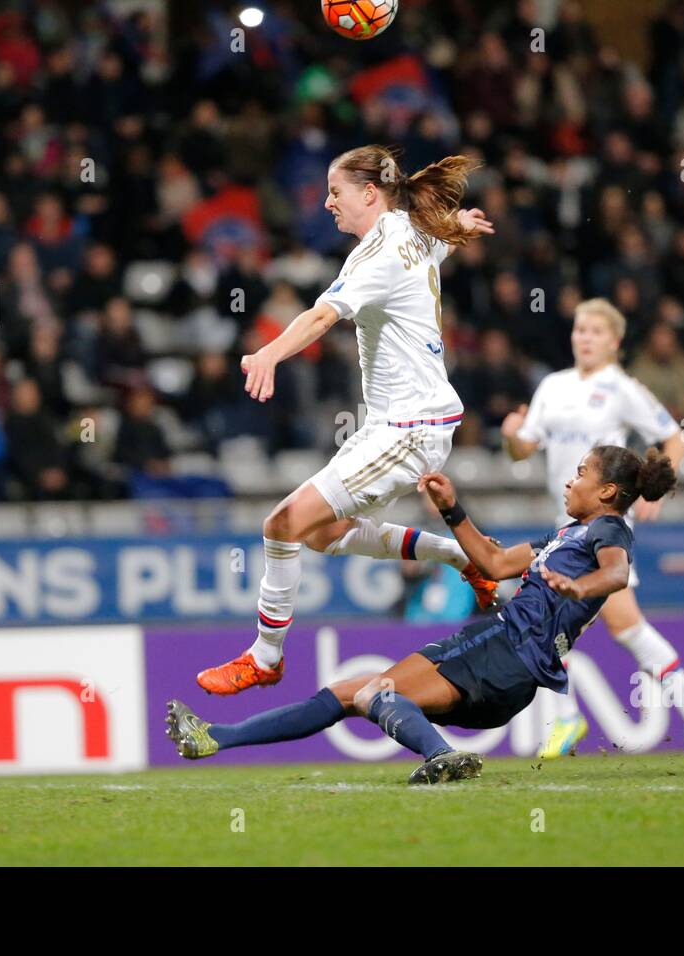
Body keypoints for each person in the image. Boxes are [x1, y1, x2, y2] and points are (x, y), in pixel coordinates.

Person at [167, 446, 677, 784]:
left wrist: (577, 585)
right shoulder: (565, 535)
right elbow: (495, 563)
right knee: (351, 692)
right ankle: (217, 736)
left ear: (608, 493)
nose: (571, 481)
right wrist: (452, 510)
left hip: (504, 651)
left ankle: (439, 757)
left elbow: (614, 575)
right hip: (510, 672)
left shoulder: (607, 532)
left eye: (582, 474)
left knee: (370, 694)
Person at [195, 145, 499, 695]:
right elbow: (439, 236)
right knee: (318, 533)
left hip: (408, 428)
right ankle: (463, 557)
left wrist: (267, 354)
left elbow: (320, 317)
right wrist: (462, 222)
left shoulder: (377, 256)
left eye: (335, 192)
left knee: (282, 523)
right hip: (411, 424)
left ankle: (265, 657)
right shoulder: (414, 229)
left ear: (368, 193)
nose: (328, 203)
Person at [500, 298, 684, 760]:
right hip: (565, 525)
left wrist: (652, 493)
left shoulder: (621, 389)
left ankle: (565, 719)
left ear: (615, 342)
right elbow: (521, 452)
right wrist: (511, 432)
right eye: (580, 329)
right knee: (619, 625)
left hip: (601, 526)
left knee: (546, 618)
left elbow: (674, 437)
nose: (585, 338)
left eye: (596, 332)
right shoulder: (553, 386)